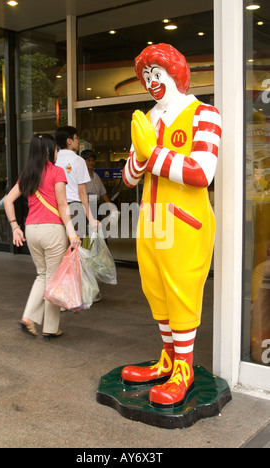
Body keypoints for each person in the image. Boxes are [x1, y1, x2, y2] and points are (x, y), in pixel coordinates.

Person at [120, 43, 222, 408]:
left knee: (180, 295)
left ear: (175, 73)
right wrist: (139, 158)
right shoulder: (148, 119)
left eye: (156, 74)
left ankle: (184, 368)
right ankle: (168, 358)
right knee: (157, 293)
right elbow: (129, 178)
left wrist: (152, 155)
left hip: (185, 225)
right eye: (146, 76)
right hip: (150, 222)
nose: (151, 82)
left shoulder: (205, 115)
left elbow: (201, 173)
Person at [4, 133, 81, 339]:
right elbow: (63, 205)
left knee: (43, 275)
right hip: (52, 230)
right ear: (49, 151)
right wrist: (72, 233)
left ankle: (30, 316)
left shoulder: (27, 175)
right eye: (55, 149)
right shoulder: (56, 172)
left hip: (31, 229)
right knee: (53, 279)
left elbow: (8, 201)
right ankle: (48, 327)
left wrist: (15, 228)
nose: (57, 152)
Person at [55, 126, 100, 237]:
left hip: (56, 208)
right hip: (74, 209)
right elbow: (82, 192)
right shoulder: (78, 160)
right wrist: (91, 219)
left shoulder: (54, 160)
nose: (78, 141)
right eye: (76, 138)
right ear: (69, 141)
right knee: (78, 249)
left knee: (61, 247)